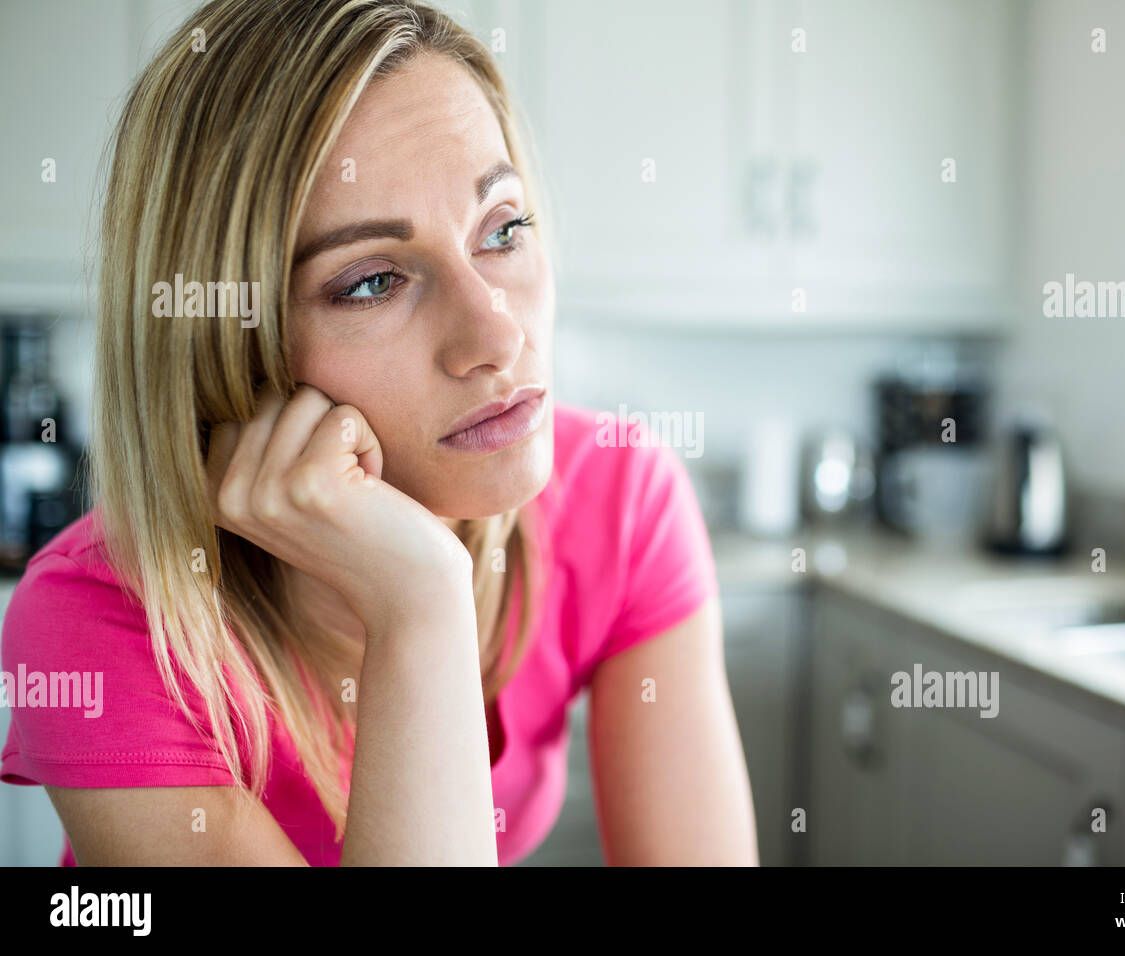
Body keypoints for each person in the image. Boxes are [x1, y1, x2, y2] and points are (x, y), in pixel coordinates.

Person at [0, 0, 758, 866]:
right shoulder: (98, 623)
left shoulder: (621, 499)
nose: (498, 337)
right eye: (372, 282)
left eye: (503, 229)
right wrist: (420, 604)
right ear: (227, 346)